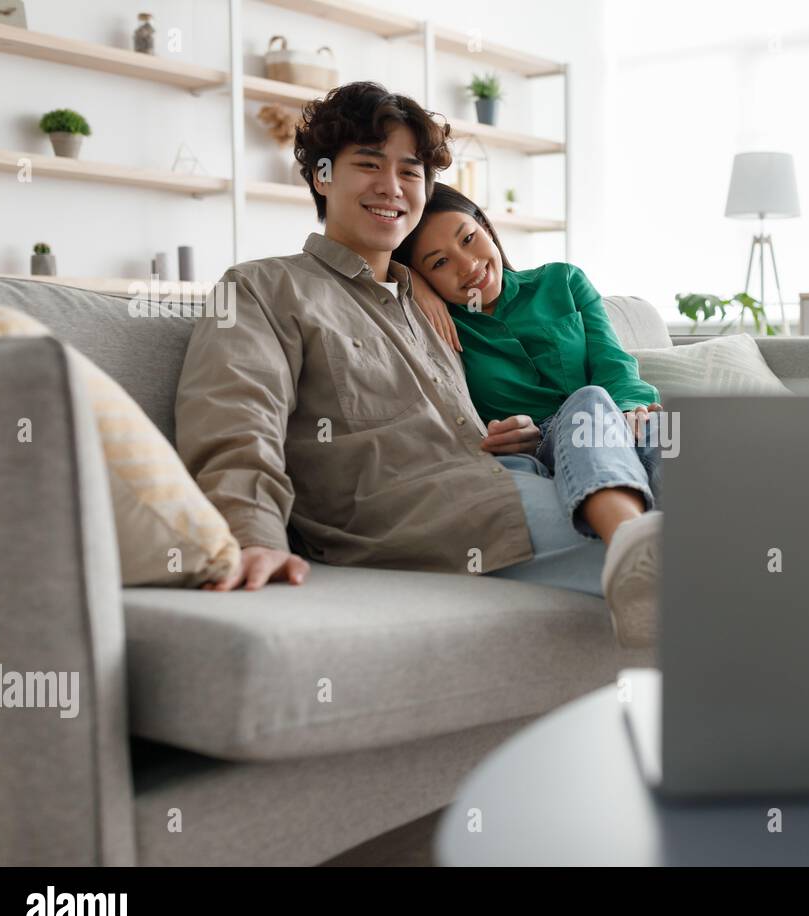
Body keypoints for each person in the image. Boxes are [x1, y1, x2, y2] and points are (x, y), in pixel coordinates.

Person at [174, 82, 659, 647]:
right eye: (369, 164)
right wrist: (249, 531)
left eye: (410, 171)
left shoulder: (433, 302)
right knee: (715, 545)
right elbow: (236, 415)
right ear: (322, 176)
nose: (392, 186)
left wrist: (521, 436)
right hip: (427, 517)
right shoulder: (264, 287)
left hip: (516, 479)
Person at [391, 185, 664, 644]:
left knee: (651, 427)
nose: (467, 265)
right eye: (438, 263)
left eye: (469, 238)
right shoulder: (441, 326)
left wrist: (631, 409)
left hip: (616, 422)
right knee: (587, 402)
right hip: (537, 449)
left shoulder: (562, 281)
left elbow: (614, 363)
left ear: (489, 229)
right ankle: (633, 552)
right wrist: (409, 280)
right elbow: (364, 276)